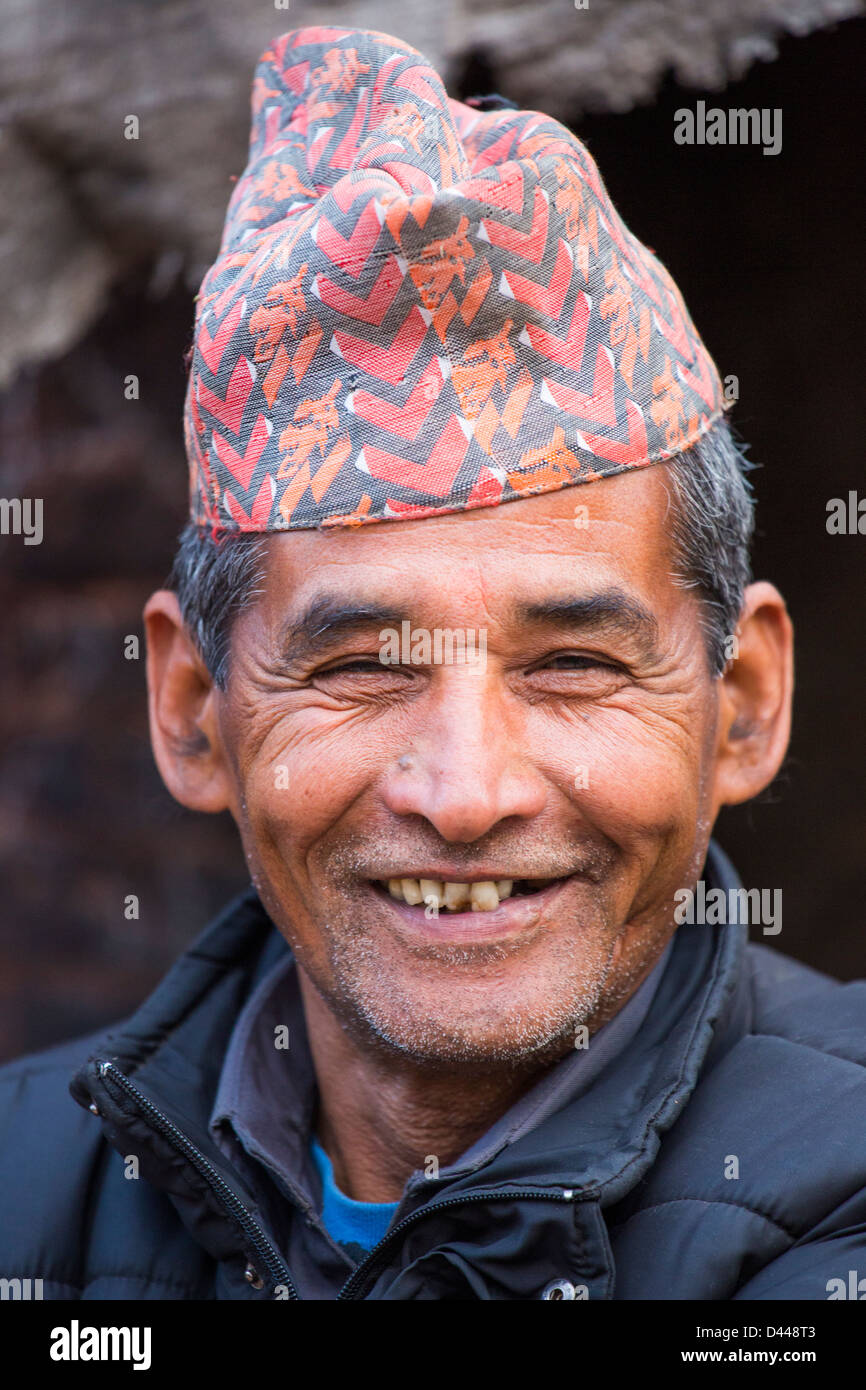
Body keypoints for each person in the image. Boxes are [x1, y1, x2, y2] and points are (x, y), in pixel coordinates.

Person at [1, 25, 864, 1302]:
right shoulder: (26, 1187)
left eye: (572, 662)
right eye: (358, 668)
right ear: (191, 710)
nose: (464, 795)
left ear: (741, 704)